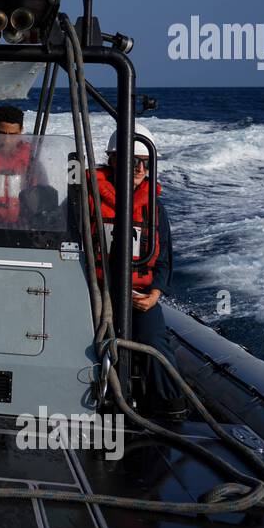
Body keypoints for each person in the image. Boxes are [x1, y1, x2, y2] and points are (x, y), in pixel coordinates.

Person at [92, 125, 183, 420]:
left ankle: (169, 412)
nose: (140, 169)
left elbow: (164, 261)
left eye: (146, 163)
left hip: (139, 295)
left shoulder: (155, 209)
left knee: (156, 345)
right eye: (133, 161)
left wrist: (154, 294)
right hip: (93, 294)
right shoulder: (85, 200)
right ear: (113, 159)